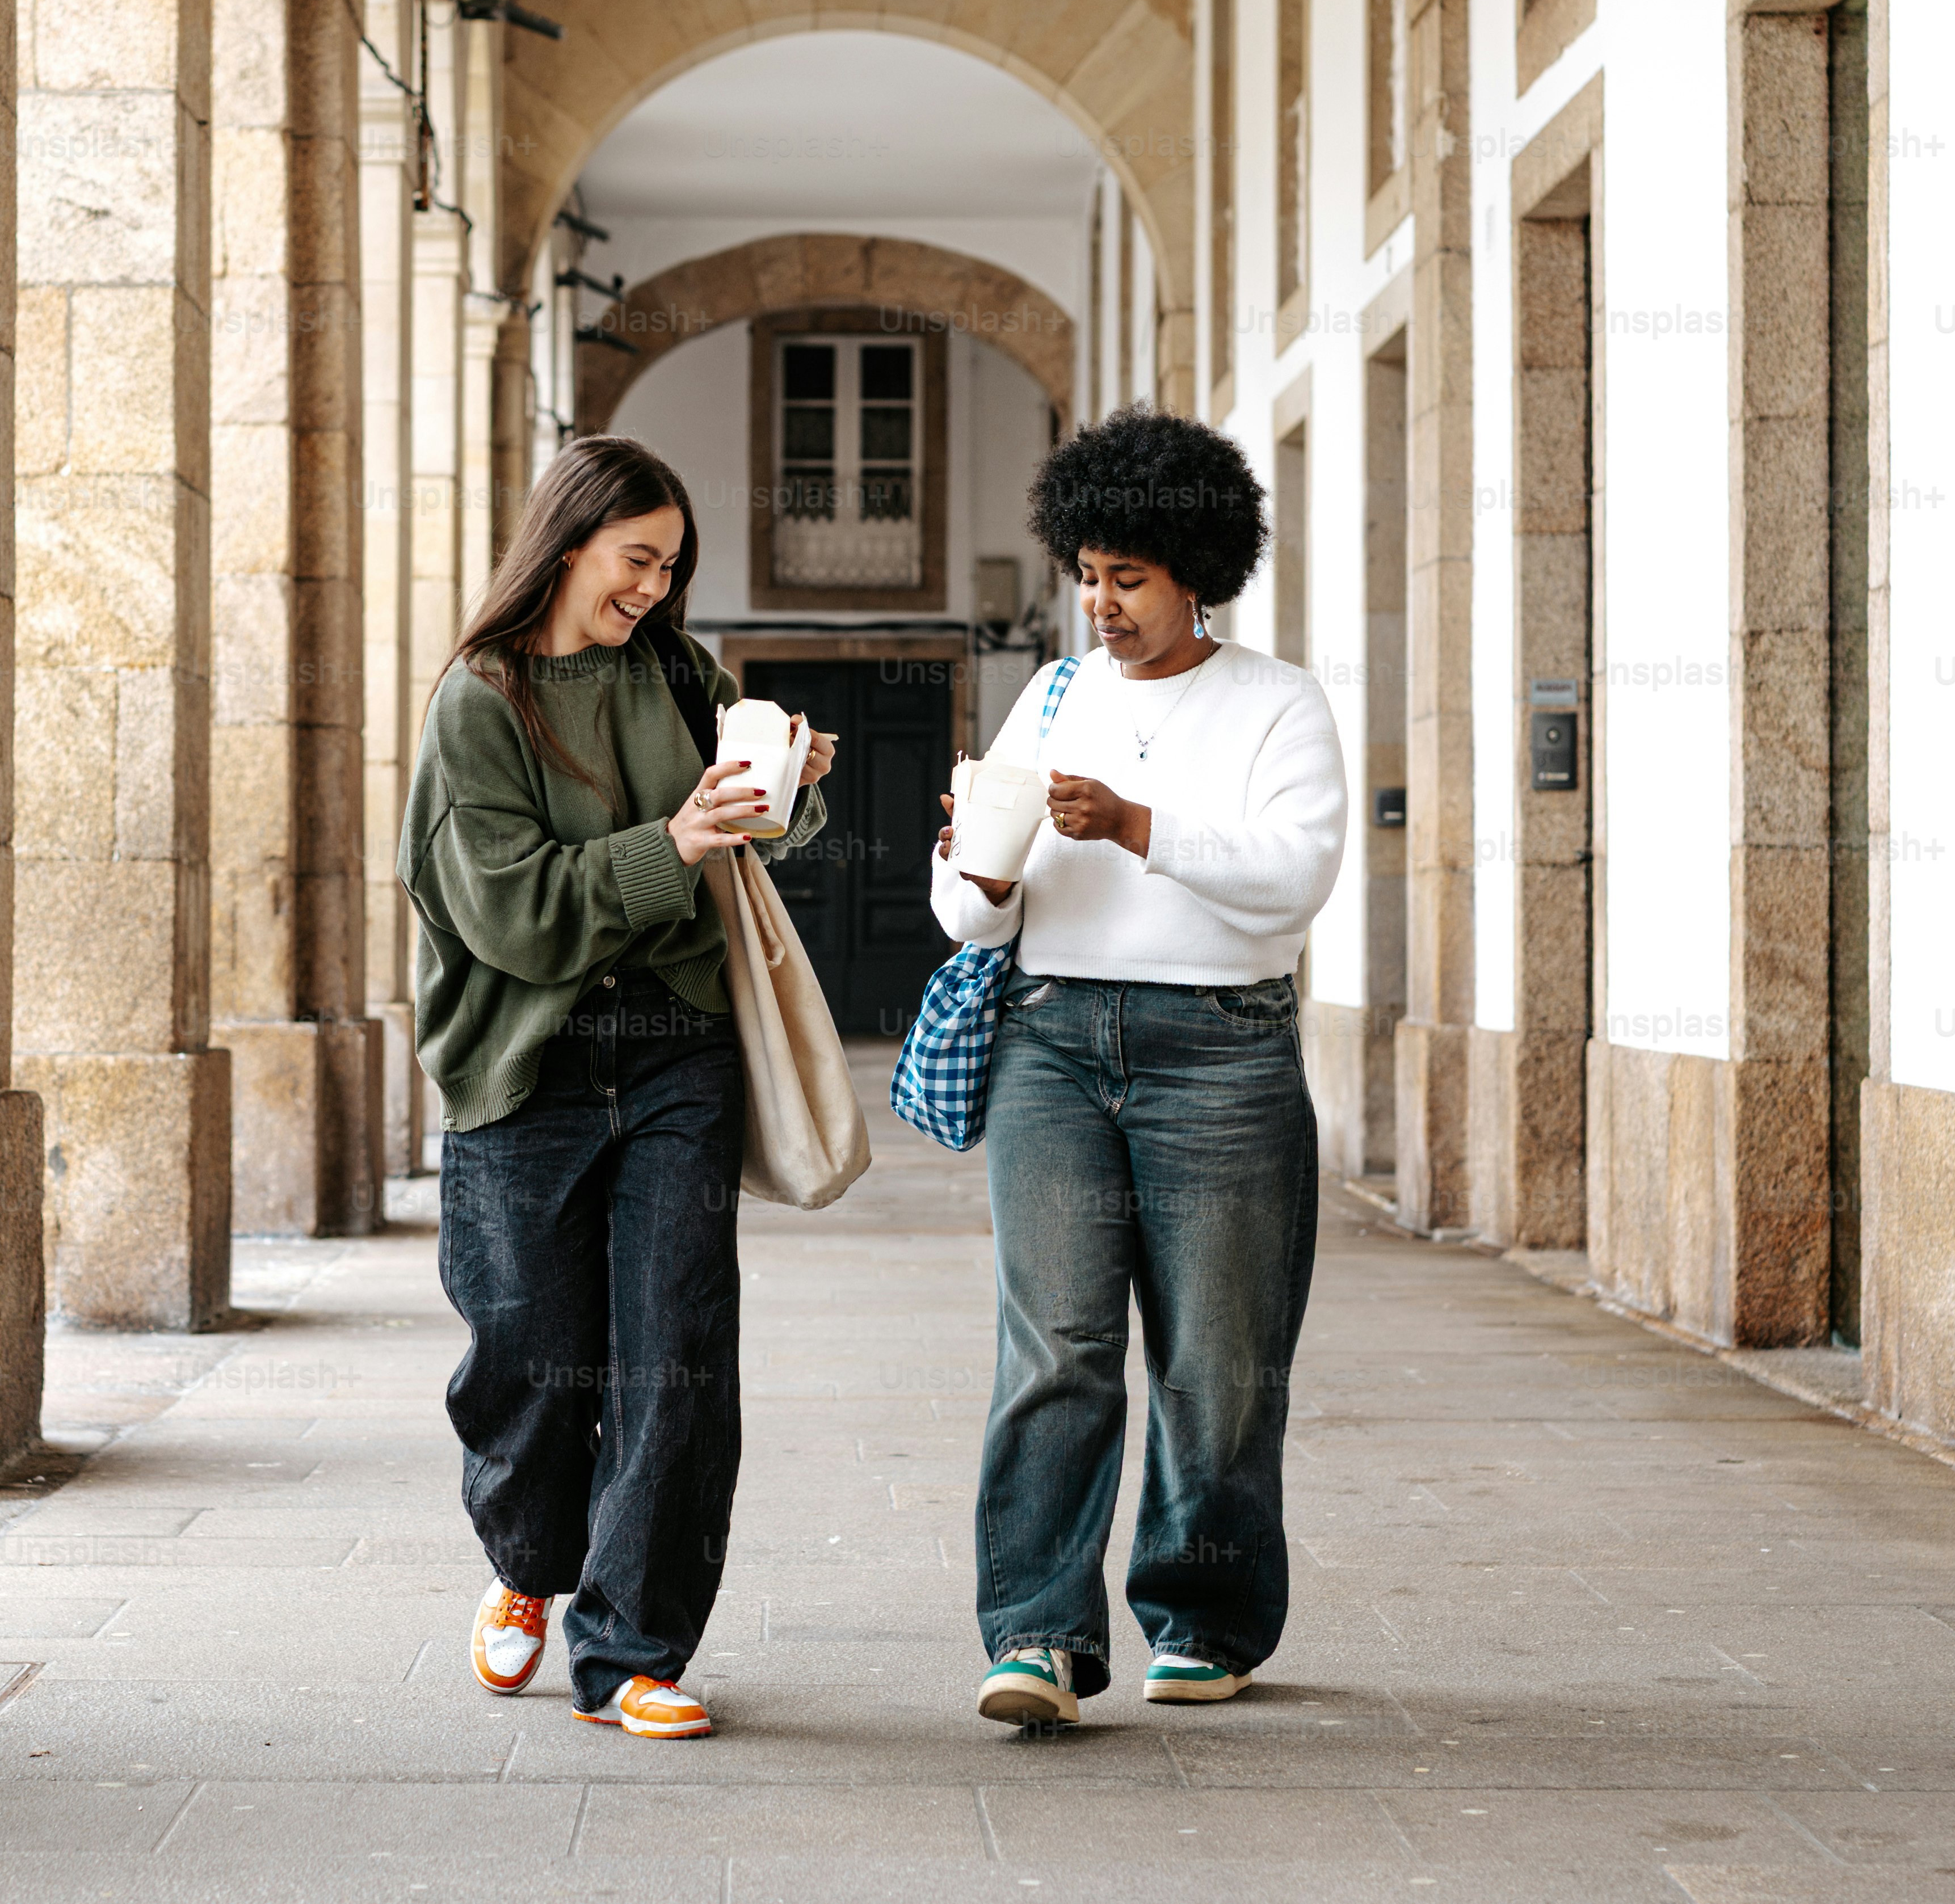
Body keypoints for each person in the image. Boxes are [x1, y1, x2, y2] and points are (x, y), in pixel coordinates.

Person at [400, 434, 834, 1741]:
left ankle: (634, 1646)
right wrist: (669, 843)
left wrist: (788, 796)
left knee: (678, 1351)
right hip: (523, 1065)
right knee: (530, 1356)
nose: (652, 585)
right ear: (569, 539)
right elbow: (514, 916)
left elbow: (749, 834)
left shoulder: (679, 675)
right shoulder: (479, 700)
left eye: (670, 565)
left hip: (676, 1054)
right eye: (635, 558)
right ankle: (529, 1562)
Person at [933, 407, 1348, 1728]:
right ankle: (1038, 1635)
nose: (1102, 604)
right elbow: (970, 918)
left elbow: (1294, 882)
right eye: (1089, 573)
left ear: (1197, 574)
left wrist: (1132, 824)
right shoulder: (1051, 695)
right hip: (1052, 1044)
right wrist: (981, 869)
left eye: (1131, 578)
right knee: (1055, 1347)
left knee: (1216, 1361)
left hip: (1220, 1057)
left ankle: (1203, 1612)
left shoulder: (1278, 702)